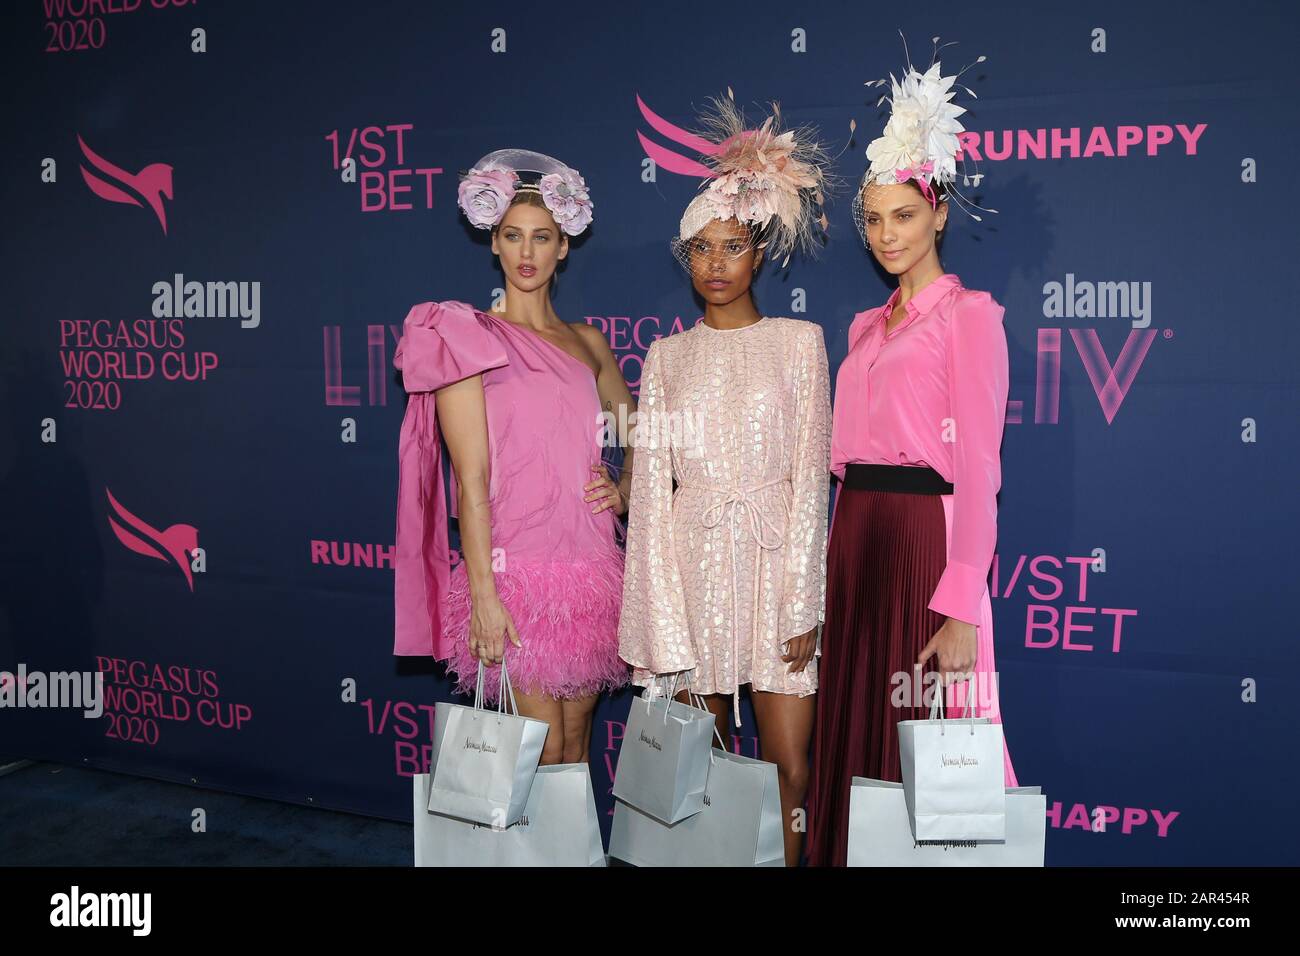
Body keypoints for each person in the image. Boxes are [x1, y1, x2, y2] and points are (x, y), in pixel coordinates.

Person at [805, 41, 1019, 867]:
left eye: (903, 215)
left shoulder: (971, 318)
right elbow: (841, 468)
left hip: (920, 540)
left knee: (918, 735)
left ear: (938, 213)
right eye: (873, 218)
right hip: (855, 537)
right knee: (854, 718)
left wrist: (962, 603)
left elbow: (983, 470)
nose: (887, 234)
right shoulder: (863, 329)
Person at [619, 97, 832, 866]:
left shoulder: (802, 345)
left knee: (789, 768)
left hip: (777, 570)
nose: (715, 263)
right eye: (701, 249)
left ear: (759, 254)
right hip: (694, 570)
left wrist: (805, 596)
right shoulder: (666, 359)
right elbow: (649, 501)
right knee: (701, 771)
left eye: (732, 246)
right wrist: (659, 621)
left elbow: (812, 479)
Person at [393, 149, 635, 765]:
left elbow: (643, 426)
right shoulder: (465, 335)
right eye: (512, 237)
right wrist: (483, 596)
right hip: (513, 571)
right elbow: (469, 482)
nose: (527, 252)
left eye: (542, 237)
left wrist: (628, 486)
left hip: (588, 565)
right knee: (540, 748)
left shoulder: (587, 342)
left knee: (576, 745)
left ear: (563, 249)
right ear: (494, 245)